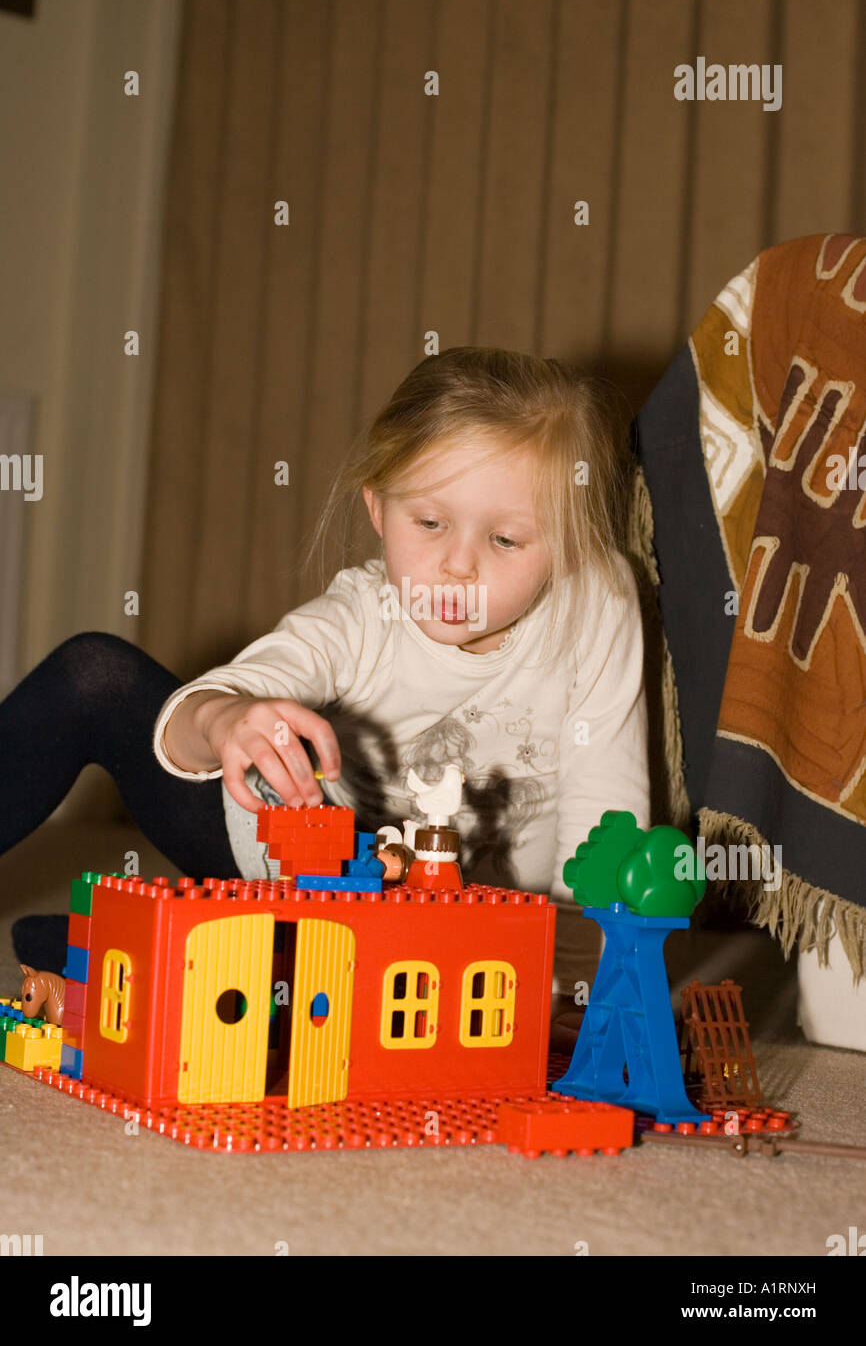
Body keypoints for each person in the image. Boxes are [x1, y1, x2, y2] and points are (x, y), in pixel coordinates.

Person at [7, 347, 651, 1042]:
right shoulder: (361, 617)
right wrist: (227, 719)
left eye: (505, 539)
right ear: (377, 506)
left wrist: (572, 987)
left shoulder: (598, 602)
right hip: (293, 870)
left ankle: (106, 943)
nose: (459, 564)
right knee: (94, 670)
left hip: (453, 947)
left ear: (570, 541)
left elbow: (605, 815)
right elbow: (229, 695)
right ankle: (157, 938)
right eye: (429, 524)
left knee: (274, 1024)